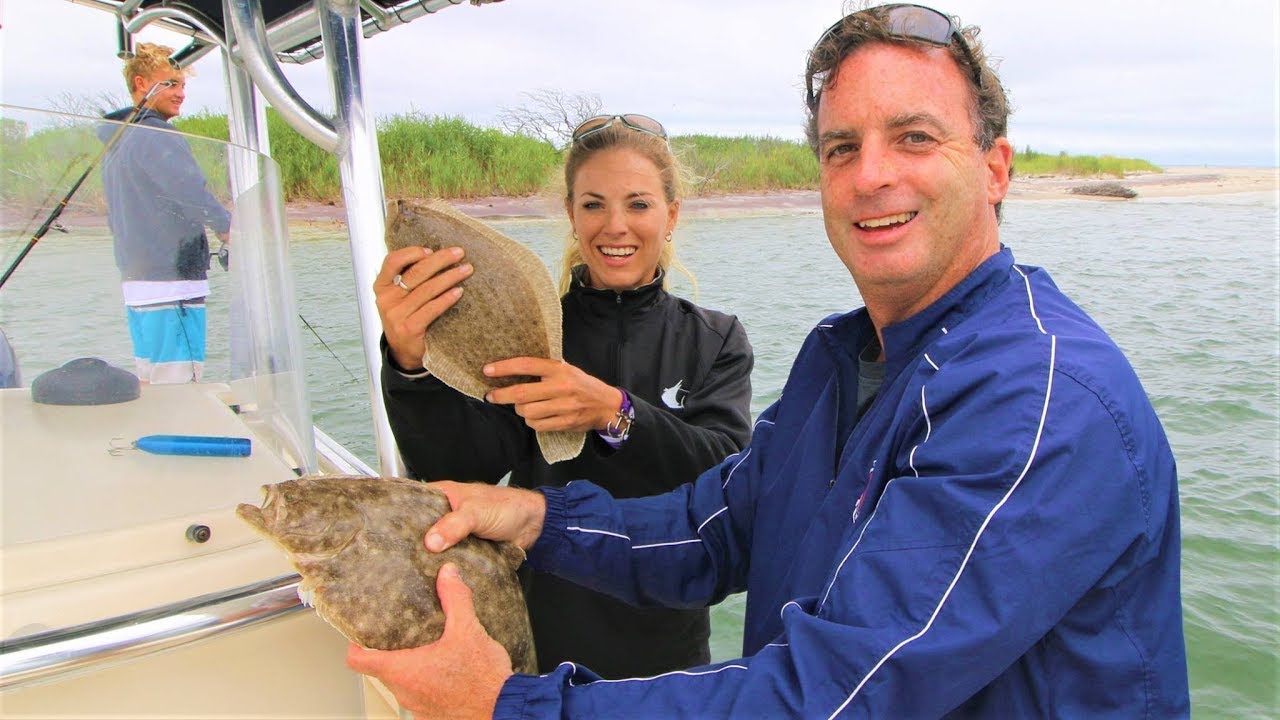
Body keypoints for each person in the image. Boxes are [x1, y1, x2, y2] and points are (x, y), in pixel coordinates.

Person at [349, 4, 1190, 717]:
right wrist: (535, 521)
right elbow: (711, 529)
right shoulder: (843, 359)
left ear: (996, 168)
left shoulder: (1039, 399)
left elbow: (835, 694)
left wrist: (511, 705)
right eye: (840, 148)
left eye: (914, 137)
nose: (871, 176)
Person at [373, 113, 755, 679]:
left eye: (639, 204)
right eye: (594, 205)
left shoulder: (715, 338)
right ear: (572, 217)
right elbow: (454, 464)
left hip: (668, 636)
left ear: (671, 215)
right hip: (547, 624)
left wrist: (615, 413)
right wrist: (410, 363)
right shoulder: (533, 337)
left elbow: (726, 475)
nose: (615, 226)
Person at [99, 42, 231, 384]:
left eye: (183, 85)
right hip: (171, 281)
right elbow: (189, 190)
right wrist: (227, 227)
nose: (181, 93)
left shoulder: (119, 140)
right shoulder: (155, 133)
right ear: (142, 84)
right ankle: (177, 433)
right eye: (171, 83)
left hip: (138, 280)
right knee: (179, 379)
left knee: (151, 375)